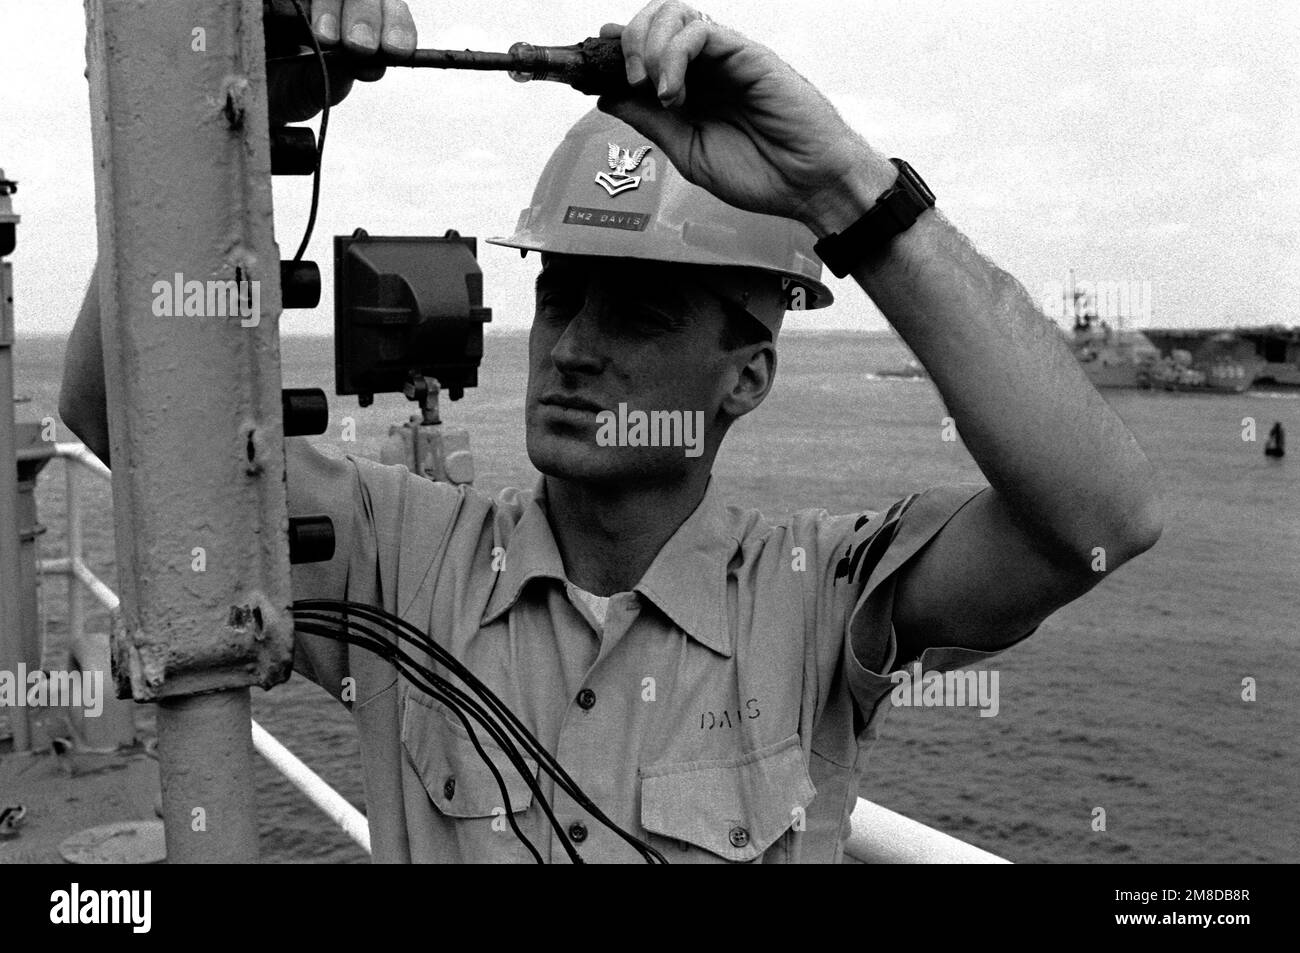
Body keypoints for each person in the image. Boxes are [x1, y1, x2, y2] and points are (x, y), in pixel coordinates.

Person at [61, 0, 1162, 863]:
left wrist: (847, 191)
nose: (574, 344)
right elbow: (128, 412)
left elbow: (1097, 521)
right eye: (559, 295)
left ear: (748, 376)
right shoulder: (399, 556)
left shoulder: (811, 595)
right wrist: (247, 109)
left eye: (636, 311)